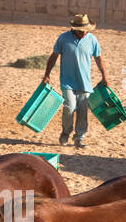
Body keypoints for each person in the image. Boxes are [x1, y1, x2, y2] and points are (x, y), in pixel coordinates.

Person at [42, 14, 108, 148]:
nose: (84, 32)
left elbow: (98, 58)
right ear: (74, 28)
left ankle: (79, 137)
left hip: (85, 83)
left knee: (83, 111)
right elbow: (54, 56)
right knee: (69, 107)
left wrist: (104, 76)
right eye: (81, 30)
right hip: (67, 81)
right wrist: (47, 75)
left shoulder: (92, 39)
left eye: (86, 29)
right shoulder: (63, 38)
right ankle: (65, 133)